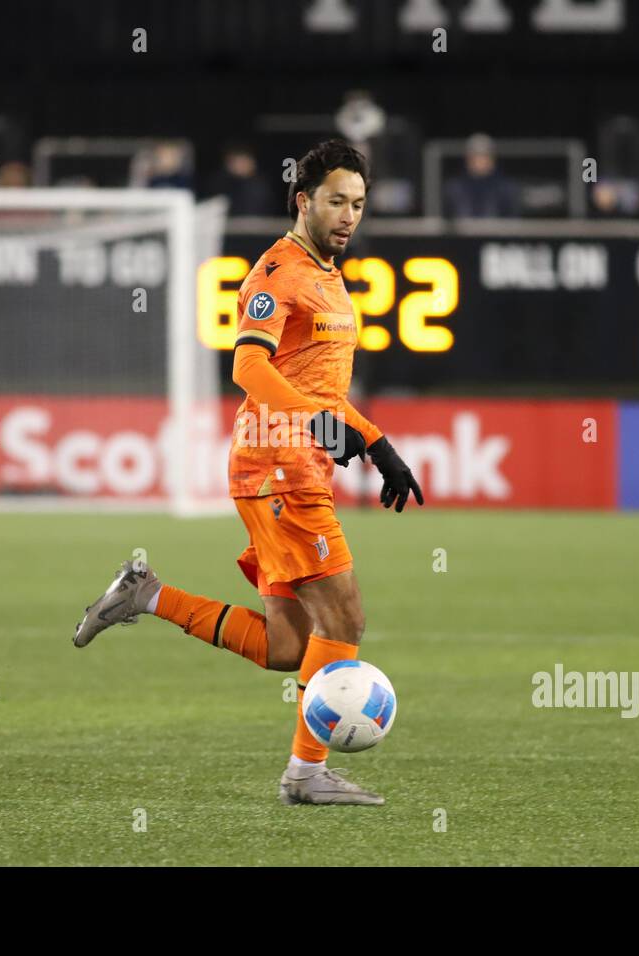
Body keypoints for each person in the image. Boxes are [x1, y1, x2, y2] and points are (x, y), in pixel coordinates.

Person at [72, 140, 423, 806]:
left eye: (358, 204)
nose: (349, 216)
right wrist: (319, 426)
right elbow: (250, 368)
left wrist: (378, 446)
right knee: (343, 622)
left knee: (290, 647)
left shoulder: (329, 274)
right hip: (279, 466)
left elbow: (319, 387)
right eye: (336, 201)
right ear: (303, 200)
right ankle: (306, 773)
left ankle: (145, 595)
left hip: (291, 464)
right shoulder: (277, 273)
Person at [443, 133, 520, 218]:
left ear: (493, 158)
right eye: (476, 155)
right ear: (467, 158)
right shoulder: (454, 188)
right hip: (465, 230)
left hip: (495, 231)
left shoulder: (506, 188)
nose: (480, 161)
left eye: (485, 155)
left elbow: (512, 221)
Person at [202, 142, 278, 216]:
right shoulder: (218, 184)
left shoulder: (261, 186)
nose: (239, 165)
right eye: (234, 161)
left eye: (243, 160)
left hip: (259, 226)